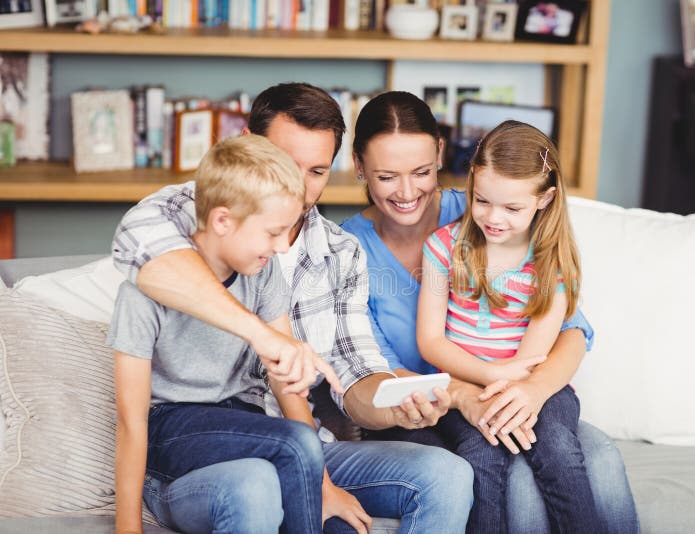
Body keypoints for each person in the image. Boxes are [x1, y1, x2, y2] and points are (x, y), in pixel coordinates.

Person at [110, 83, 473, 534]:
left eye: (317, 171)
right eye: (285, 162)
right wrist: (262, 335)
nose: (298, 188)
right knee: (274, 468)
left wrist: (397, 405)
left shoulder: (340, 253)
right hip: (199, 445)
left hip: (295, 440)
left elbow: (354, 371)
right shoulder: (187, 211)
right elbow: (138, 248)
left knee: (448, 474)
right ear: (248, 143)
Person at [340, 90, 639, 533]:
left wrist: (534, 388)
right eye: (386, 176)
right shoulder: (350, 249)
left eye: (421, 172)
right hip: (421, 412)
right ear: (360, 167)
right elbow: (372, 367)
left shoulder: (485, 209)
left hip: (522, 390)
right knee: (479, 466)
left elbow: (572, 329)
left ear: (442, 153)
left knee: (597, 459)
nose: (407, 192)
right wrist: (474, 390)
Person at [111, 135, 341, 534]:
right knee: (296, 444)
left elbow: (287, 383)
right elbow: (131, 422)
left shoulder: (262, 271)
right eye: (272, 233)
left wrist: (325, 486)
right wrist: (127, 527)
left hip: (239, 419)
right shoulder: (143, 293)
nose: (283, 247)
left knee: (339, 521)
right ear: (222, 221)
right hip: (170, 429)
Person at [417, 120, 600, 533]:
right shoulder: (441, 248)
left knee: (555, 449)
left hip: (534, 382)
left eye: (512, 208)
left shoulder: (553, 265)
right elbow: (429, 342)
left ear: (545, 199)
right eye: (482, 200)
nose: (493, 218)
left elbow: (531, 360)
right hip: (461, 382)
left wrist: (516, 392)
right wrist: (489, 376)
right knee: (481, 452)